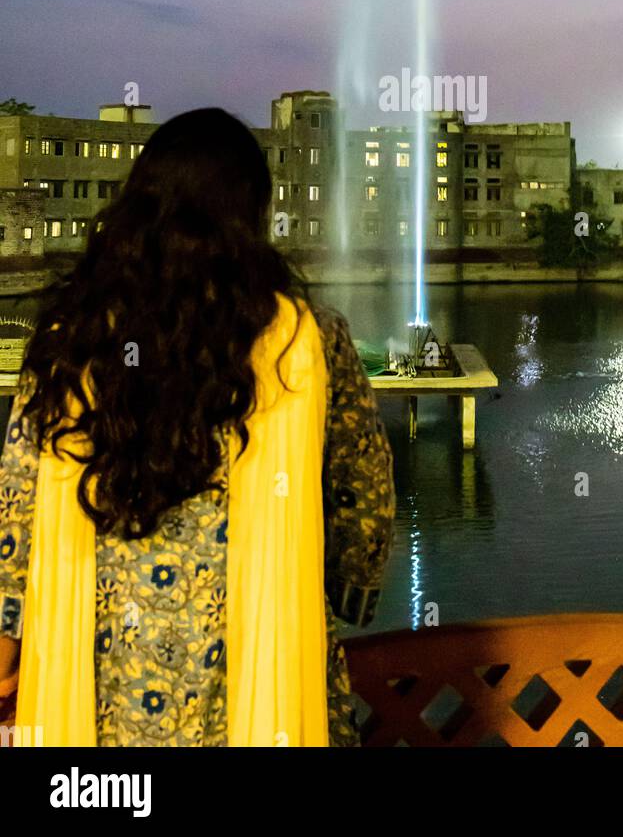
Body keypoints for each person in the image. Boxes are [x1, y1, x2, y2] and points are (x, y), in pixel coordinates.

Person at [0, 108, 394, 746]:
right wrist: (337, 589)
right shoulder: (306, 339)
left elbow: (19, 497)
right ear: (253, 216)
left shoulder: (71, 340)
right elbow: (364, 497)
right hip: (256, 661)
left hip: (106, 676)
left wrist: (10, 637)